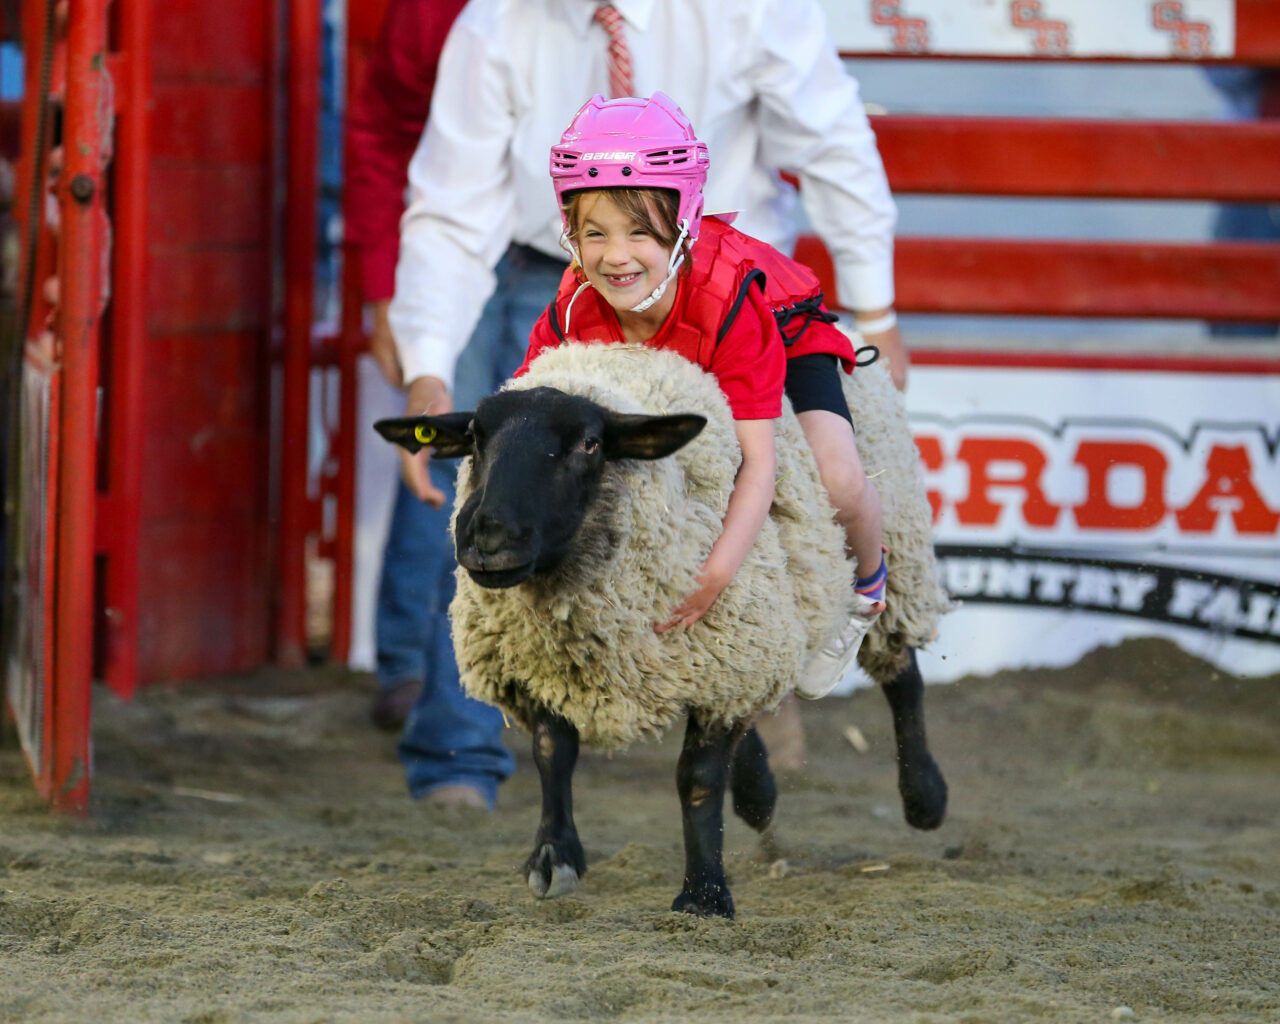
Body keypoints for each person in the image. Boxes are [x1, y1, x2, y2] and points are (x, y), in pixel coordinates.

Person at [384, 0, 908, 778]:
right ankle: (460, 756)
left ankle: (768, 676)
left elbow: (831, 139)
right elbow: (451, 208)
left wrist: (875, 306)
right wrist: (428, 363)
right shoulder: (496, 22)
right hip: (548, 273)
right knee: (494, 483)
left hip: (729, 289)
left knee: (756, 484)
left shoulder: (752, 10)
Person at [517, 93, 889, 695]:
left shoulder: (728, 299)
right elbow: (526, 416)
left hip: (783, 335)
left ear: (684, 220)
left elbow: (758, 463)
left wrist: (715, 573)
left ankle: (868, 589)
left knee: (838, 478)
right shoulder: (575, 303)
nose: (614, 256)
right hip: (686, 347)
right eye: (594, 233)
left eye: (640, 231)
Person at [347, 0, 560, 809]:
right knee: (445, 447)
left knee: (487, 458)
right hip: (452, 240)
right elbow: (381, 137)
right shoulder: (437, 14)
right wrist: (384, 294)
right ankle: (411, 663)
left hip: (556, 243)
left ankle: (434, 680)